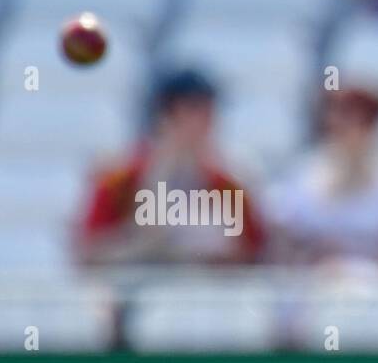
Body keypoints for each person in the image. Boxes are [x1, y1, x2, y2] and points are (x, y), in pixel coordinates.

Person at [77, 69, 263, 266]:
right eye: (195, 110)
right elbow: (87, 251)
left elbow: (255, 253)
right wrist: (143, 242)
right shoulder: (120, 180)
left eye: (210, 111)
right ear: (164, 116)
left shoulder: (227, 182)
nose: (207, 122)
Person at [264, 86, 378, 269]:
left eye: (352, 120)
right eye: (333, 120)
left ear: (373, 125)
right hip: (309, 292)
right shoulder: (301, 180)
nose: (338, 127)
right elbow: (283, 256)